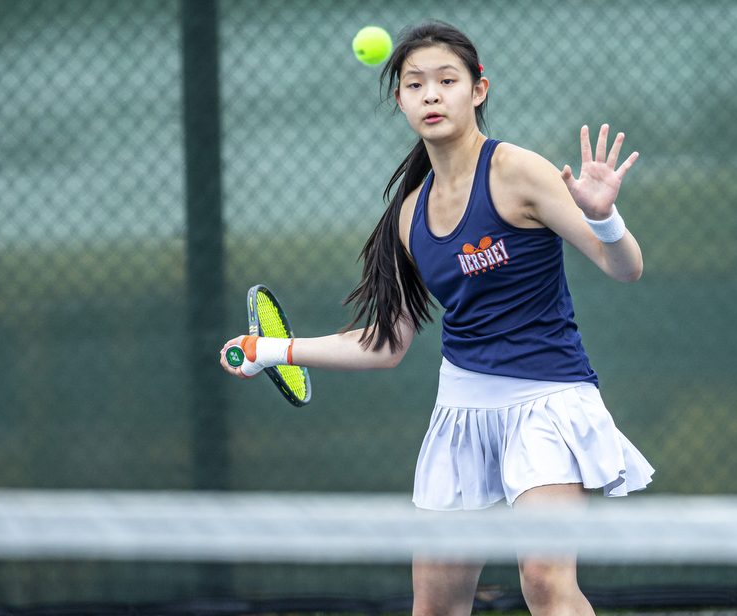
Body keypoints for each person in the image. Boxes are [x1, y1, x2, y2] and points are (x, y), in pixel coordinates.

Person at [220, 18, 654, 616]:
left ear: (477, 89)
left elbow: (623, 267)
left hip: (549, 401)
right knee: (437, 606)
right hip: (462, 410)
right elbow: (384, 343)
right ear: (399, 99)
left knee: (546, 583)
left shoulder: (518, 171)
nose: (430, 94)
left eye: (446, 80)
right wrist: (273, 350)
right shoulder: (407, 217)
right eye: (414, 84)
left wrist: (606, 218)